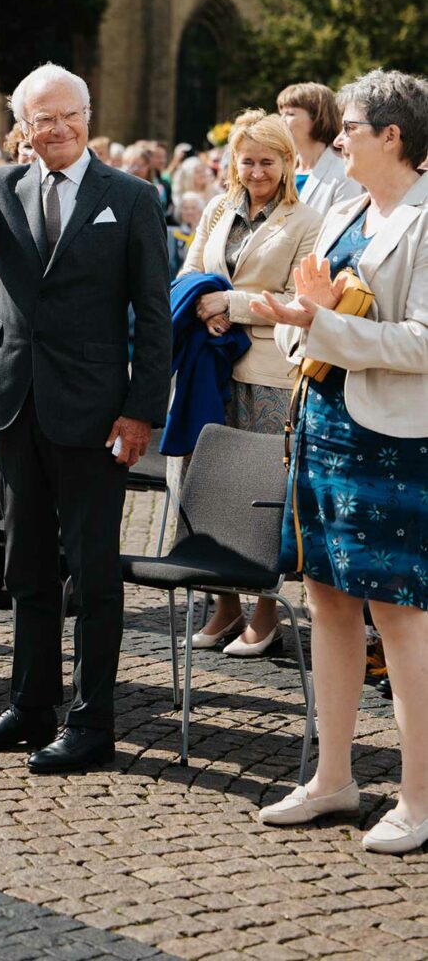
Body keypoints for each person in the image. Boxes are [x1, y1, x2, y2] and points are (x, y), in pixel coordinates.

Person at [0, 64, 171, 773]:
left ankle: (92, 723)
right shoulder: (0, 186)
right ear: (24, 127)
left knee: (92, 575)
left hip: (95, 412)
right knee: (26, 567)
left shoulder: (130, 197)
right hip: (13, 401)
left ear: (87, 116)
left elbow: (153, 319)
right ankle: (30, 706)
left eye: (68, 115)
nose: (57, 129)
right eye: (43, 118)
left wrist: (140, 411)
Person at [253, 70, 428, 853]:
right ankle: (332, 779)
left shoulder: (425, 220)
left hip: (392, 441)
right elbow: (309, 312)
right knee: (325, 600)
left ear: (392, 136)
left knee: (397, 617)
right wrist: (295, 322)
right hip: (321, 423)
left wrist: (320, 326)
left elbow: (423, 342)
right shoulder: (344, 209)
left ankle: (418, 799)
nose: (335, 136)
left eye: (350, 125)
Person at [175, 109, 319, 654]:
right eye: (248, 160)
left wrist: (230, 304)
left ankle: (264, 609)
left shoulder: (307, 220)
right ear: (234, 162)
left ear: (287, 163)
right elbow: (188, 272)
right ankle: (223, 605)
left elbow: (300, 302)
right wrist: (204, 308)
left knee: (263, 491)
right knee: (208, 483)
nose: (257, 170)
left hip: (270, 374)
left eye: (268, 161)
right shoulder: (216, 210)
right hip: (209, 367)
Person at [277, 80, 363, 214]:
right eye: (281, 113)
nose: (281, 120)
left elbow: (342, 228)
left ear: (318, 117)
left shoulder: (344, 172)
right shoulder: (280, 168)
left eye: (290, 114)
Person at [166, 191, 206, 279]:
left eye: (193, 208)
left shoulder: (205, 234)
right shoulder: (171, 233)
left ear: (200, 211)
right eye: (185, 208)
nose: (189, 211)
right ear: (180, 212)